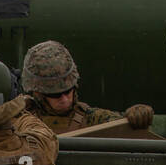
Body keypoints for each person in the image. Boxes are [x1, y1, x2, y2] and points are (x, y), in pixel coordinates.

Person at [21, 39, 154, 135]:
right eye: (55, 94)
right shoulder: (19, 120)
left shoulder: (94, 119)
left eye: (68, 91)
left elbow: (125, 127)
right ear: (38, 94)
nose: (64, 99)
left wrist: (136, 116)